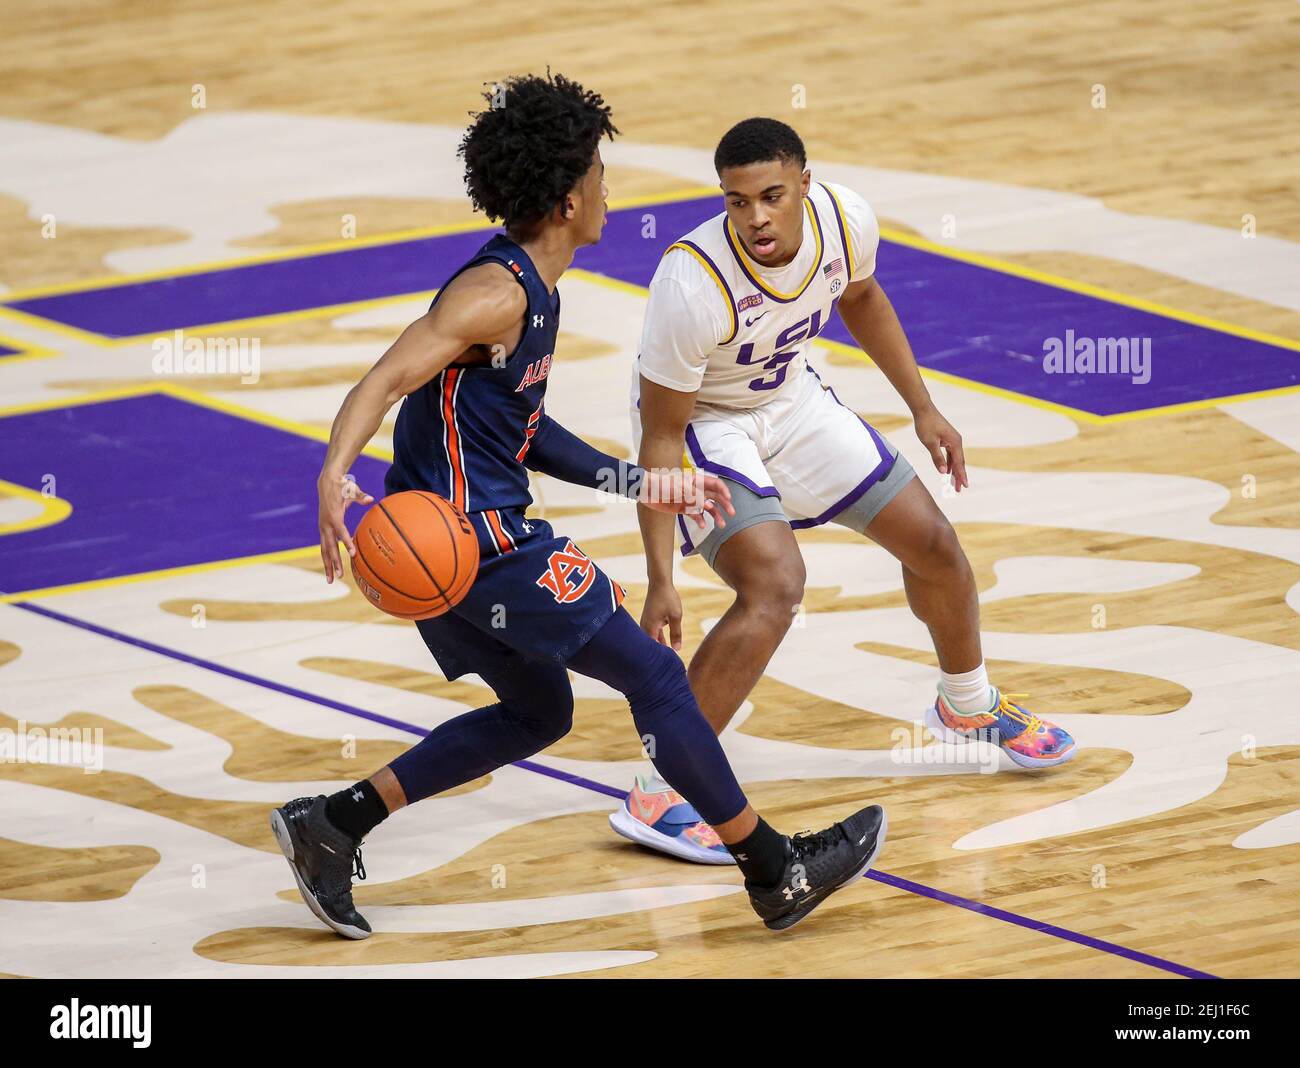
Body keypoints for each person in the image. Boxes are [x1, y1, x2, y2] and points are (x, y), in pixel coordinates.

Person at [271, 77, 886, 937]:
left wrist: (644, 482)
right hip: (478, 544)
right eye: (600, 173)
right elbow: (386, 376)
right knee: (658, 678)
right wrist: (335, 472)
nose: (609, 189)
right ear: (568, 198)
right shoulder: (496, 292)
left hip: (449, 547)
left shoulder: (535, 288)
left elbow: (527, 429)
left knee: (540, 712)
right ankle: (772, 868)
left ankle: (333, 825)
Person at [614, 116, 1075, 865]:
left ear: (804, 181)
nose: (755, 217)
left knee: (934, 543)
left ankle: (968, 707)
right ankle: (659, 792)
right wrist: (660, 577)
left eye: (770, 196)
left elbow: (862, 299)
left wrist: (923, 407)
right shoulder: (689, 283)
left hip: (792, 402)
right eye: (736, 202)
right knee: (775, 585)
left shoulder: (845, 217)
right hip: (706, 425)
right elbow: (660, 441)